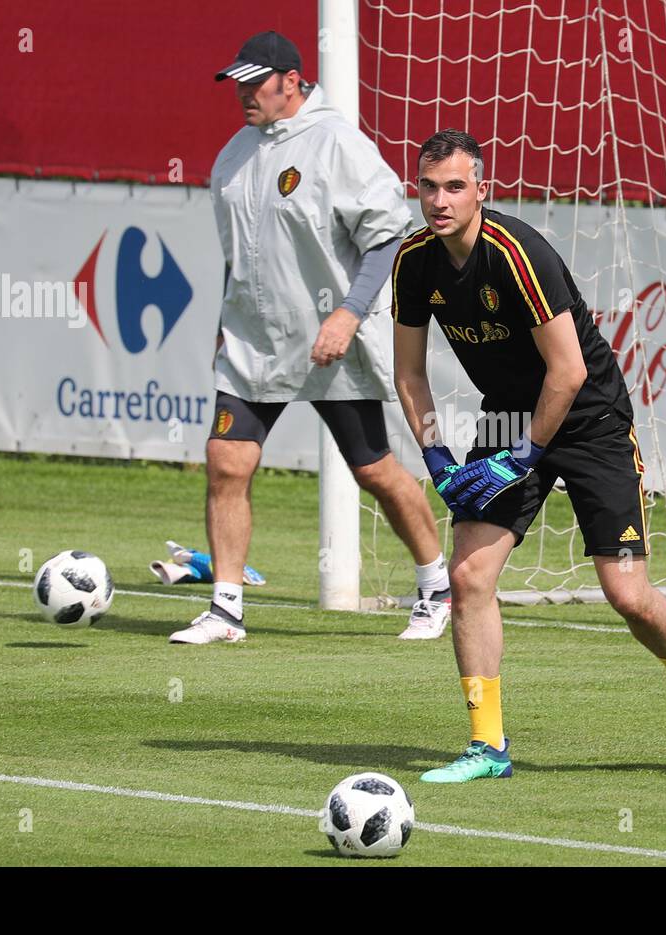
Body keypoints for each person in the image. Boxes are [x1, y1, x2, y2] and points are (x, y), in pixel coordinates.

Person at [391, 129, 666, 783]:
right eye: (428, 186)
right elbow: (409, 373)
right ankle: (488, 748)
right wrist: (436, 459)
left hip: (589, 418)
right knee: (468, 580)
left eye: (454, 186)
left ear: (480, 189)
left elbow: (568, 372)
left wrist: (520, 458)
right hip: (514, 415)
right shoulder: (414, 263)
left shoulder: (518, 255)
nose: (439, 200)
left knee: (625, 592)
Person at [171, 31, 451, 643]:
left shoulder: (339, 144)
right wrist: (225, 325)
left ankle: (437, 586)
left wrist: (348, 313)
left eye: (255, 83)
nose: (243, 95)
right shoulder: (231, 158)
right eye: (237, 84)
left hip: (332, 343)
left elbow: (385, 235)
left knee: (372, 468)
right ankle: (225, 608)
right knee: (226, 461)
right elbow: (236, 257)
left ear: (292, 82)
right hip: (252, 345)